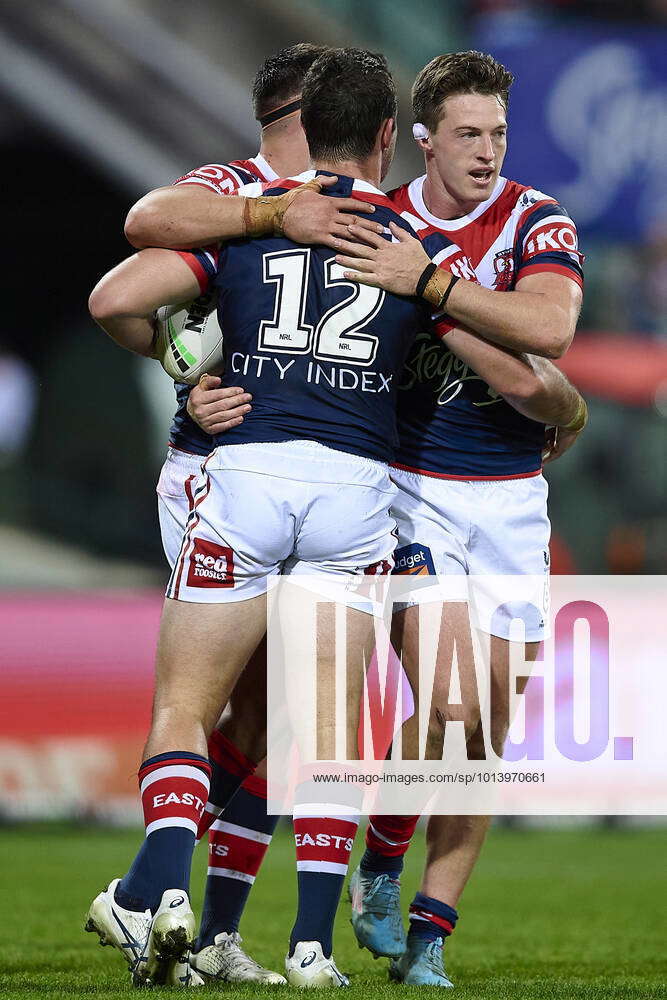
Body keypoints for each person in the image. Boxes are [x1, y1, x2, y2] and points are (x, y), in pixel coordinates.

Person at [86, 47, 480, 988]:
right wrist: (190, 375)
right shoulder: (250, 194)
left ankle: (178, 907)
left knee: (251, 715)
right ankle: (228, 918)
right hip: (270, 475)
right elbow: (128, 266)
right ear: (381, 131)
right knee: (270, 713)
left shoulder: (248, 218)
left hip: (250, 481)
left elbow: (120, 292)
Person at [330, 50, 586, 986]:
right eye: (468, 135)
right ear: (423, 139)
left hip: (512, 502)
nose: (486, 153)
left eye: (499, 135)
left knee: (483, 736)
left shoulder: (534, 220)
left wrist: (431, 287)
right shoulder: (375, 222)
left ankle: (430, 935)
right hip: (404, 490)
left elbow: (548, 330)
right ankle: (384, 861)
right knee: (447, 702)